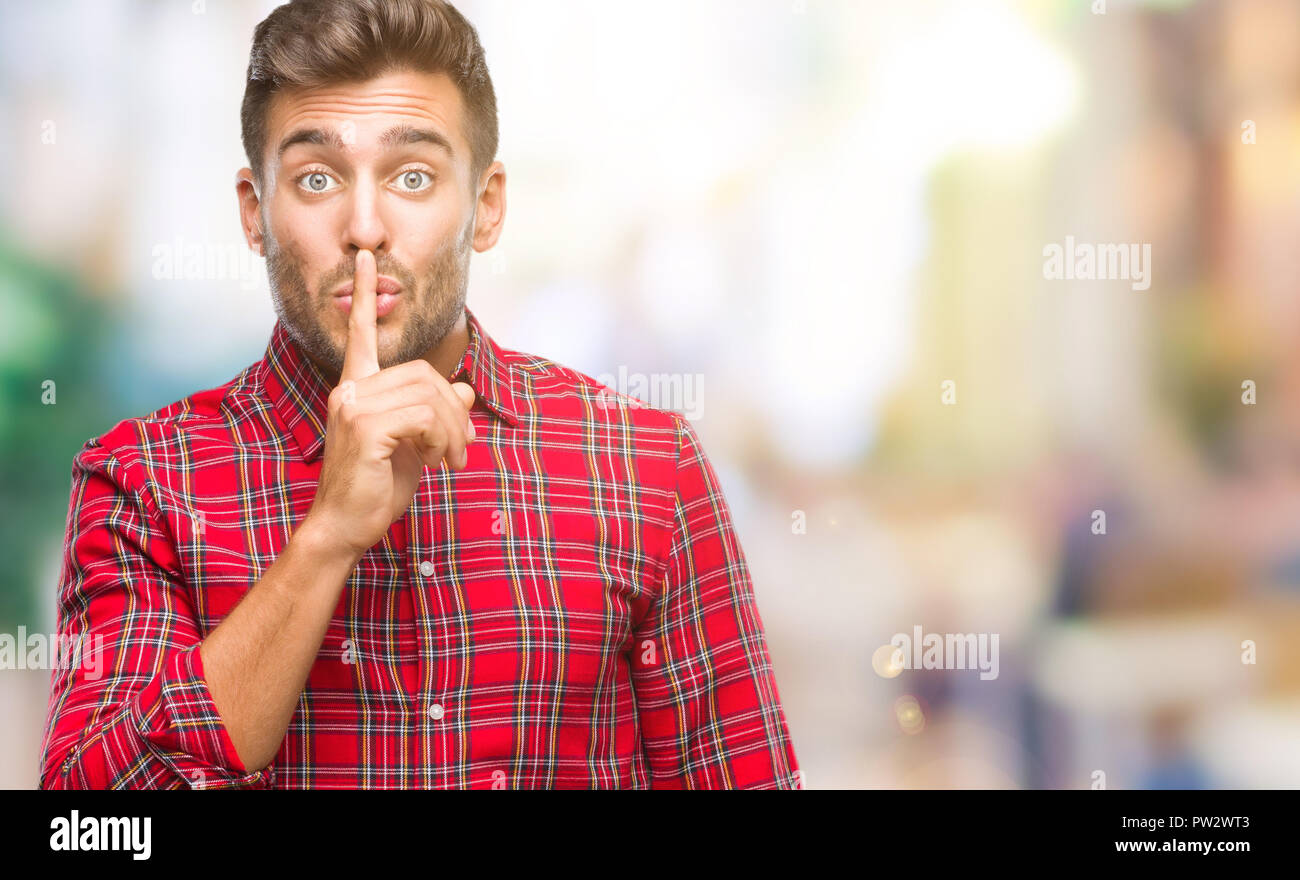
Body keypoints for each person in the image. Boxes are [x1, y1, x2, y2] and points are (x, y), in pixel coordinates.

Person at [38, 0, 800, 789]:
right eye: (316, 178)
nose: (365, 226)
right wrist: (325, 539)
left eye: (413, 177)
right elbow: (92, 831)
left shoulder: (647, 469)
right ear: (255, 212)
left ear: (487, 206)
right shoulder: (142, 481)